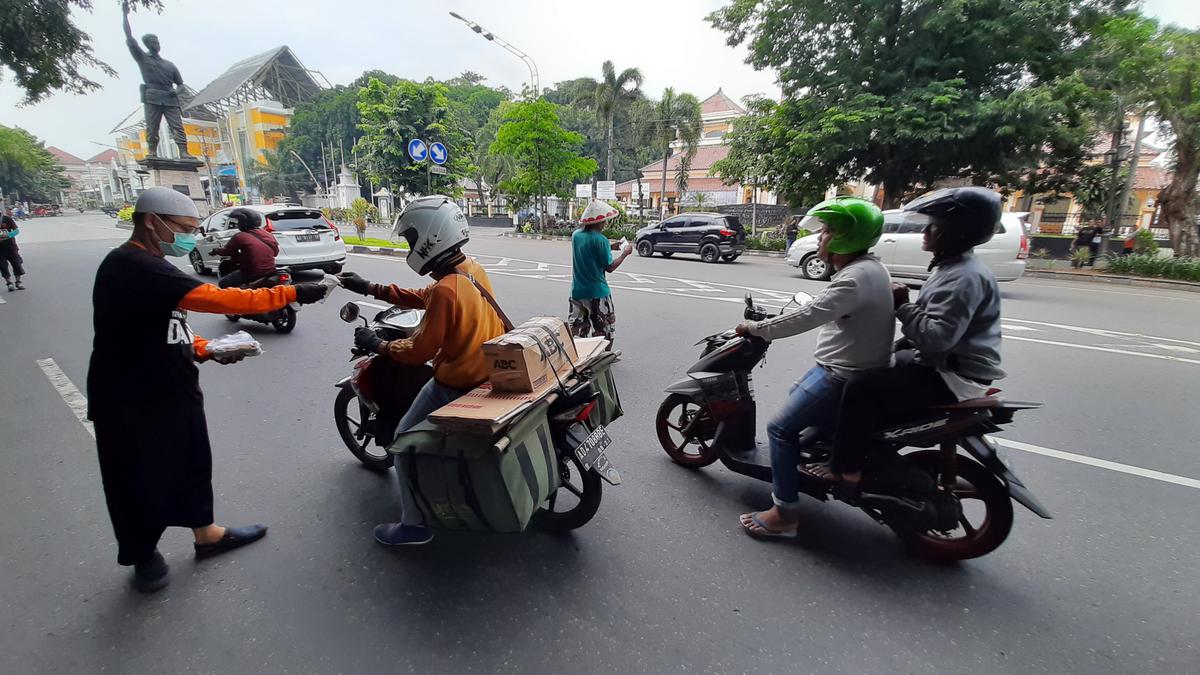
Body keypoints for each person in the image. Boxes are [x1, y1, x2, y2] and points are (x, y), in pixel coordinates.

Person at [87, 187, 329, 593]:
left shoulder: (154, 264)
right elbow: (214, 298)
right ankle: (142, 553)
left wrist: (206, 348)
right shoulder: (132, 264)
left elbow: (165, 326)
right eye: (182, 228)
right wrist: (290, 291)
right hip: (127, 395)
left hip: (173, 383)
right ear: (152, 222)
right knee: (132, 475)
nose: (187, 236)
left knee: (192, 460)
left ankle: (207, 533)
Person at [337, 195, 507, 547]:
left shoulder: (447, 289)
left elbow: (419, 351)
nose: (410, 246)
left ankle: (414, 525)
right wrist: (369, 287)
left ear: (431, 237)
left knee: (401, 442)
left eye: (412, 239)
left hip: (455, 383)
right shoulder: (469, 270)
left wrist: (379, 344)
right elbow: (423, 296)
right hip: (486, 372)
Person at [731, 197, 894, 539]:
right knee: (797, 395)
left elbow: (807, 317)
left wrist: (756, 328)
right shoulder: (872, 269)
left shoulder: (853, 280)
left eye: (828, 231)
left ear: (848, 238)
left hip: (843, 373)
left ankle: (785, 513)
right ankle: (830, 462)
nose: (821, 237)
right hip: (860, 368)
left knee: (779, 430)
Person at [821, 186, 1006, 487]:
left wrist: (903, 305)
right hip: (944, 365)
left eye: (934, 227)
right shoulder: (954, 268)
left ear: (956, 233)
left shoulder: (963, 277)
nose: (925, 231)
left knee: (860, 388)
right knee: (878, 368)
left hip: (951, 375)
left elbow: (936, 338)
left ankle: (846, 468)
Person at [568, 200, 633, 342]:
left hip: (577, 292)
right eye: (604, 221)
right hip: (597, 293)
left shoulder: (576, 235)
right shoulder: (600, 240)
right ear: (598, 222)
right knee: (603, 330)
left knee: (578, 329)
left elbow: (589, 249)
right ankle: (603, 356)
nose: (605, 224)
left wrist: (611, 247)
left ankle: (579, 355)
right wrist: (624, 254)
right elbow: (609, 267)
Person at [213, 208, 279, 288]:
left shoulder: (240, 236)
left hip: (251, 272)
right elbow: (276, 252)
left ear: (244, 222)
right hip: (271, 271)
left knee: (222, 283)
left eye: (239, 221)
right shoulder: (268, 235)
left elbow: (226, 251)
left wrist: (215, 251)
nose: (238, 224)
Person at [1, 207, 25, 291]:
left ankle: (18, 282)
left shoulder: (6, 219)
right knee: (3, 266)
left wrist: (8, 235)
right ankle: (9, 283)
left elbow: (16, 231)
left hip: (10, 246)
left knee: (16, 264)